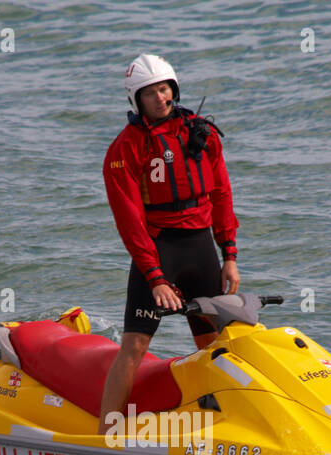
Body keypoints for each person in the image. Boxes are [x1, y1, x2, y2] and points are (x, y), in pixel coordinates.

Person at [97, 53, 240, 434]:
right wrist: (156, 278)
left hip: (201, 250)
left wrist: (229, 254)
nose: (161, 98)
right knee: (135, 347)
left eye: (165, 89)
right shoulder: (124, 149)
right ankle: (104, 433)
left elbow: (222, 194)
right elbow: (130, 223)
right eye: (151, 93)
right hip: (159, 251)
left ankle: (228, 420)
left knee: (215, 345)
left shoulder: (201, 133)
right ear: (136, 99)